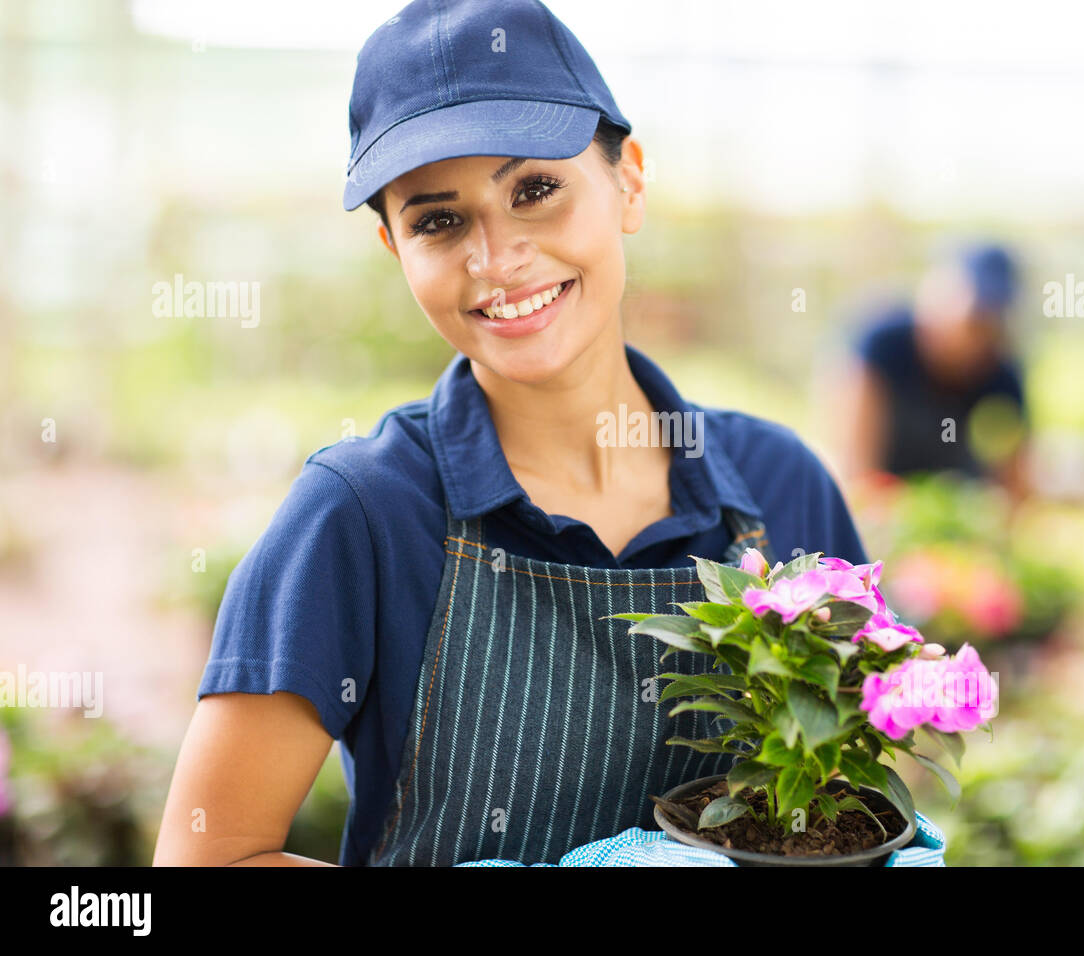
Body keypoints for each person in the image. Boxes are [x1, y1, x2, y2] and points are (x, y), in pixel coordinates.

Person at [153, 0, 869, 868]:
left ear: (629, 181)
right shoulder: (364, 514)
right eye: (438, 220)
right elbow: (209, 857)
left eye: (534, 190)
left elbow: (847, 794)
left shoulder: (779, 485)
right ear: (394, 247)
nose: (496, 260)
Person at [837, 243, 1030, 497]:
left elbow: (1016, 482)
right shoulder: (884, 344)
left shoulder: (1001, 372)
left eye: (993, 319)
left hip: (952, 508)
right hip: (882, 501)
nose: (982, 333)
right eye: (976, 316)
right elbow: (855, 465)